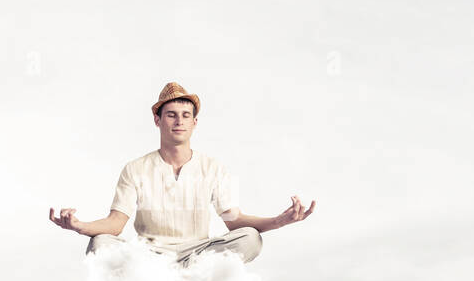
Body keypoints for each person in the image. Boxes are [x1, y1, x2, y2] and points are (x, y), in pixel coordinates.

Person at [49, 81, 315, 267]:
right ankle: (155, 279)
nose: (179, 121)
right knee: (100, 245)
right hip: (148, 256)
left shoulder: (213, 168)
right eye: (171, 115)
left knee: (250, 239)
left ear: (194, 123)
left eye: (186, 115)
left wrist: (280, 220)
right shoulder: (136, 168)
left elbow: (234, 222)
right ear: (158, 120)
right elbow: (116, 224)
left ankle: (178, 279)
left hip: (197, 254)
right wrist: (79, 226)